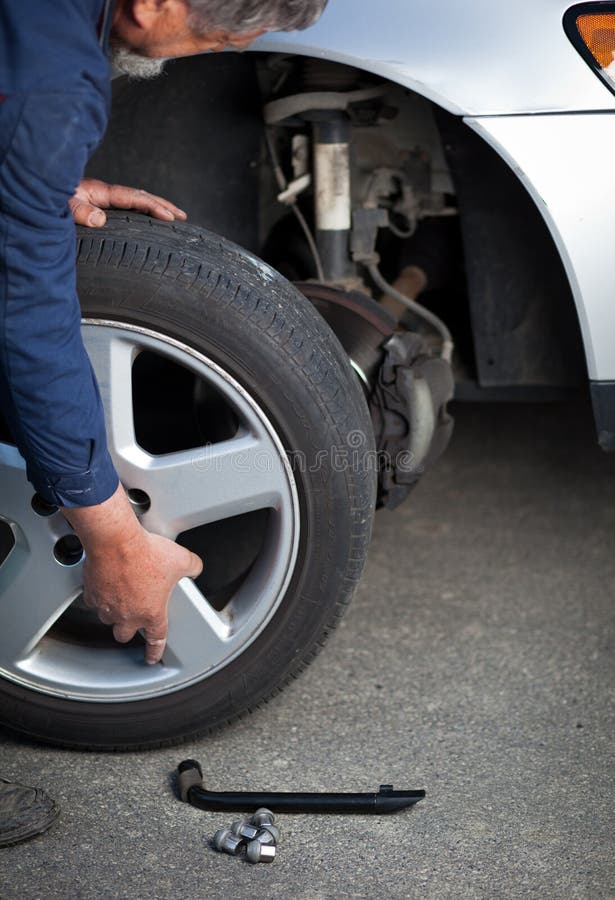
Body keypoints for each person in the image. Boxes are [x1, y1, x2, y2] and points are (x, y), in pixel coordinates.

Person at [0, 0, 328, 847]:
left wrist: (28, 186)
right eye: (214, 38)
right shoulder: (54, 89)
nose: (201, 57)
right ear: (153, 3)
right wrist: (109, 531)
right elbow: (27, 320)